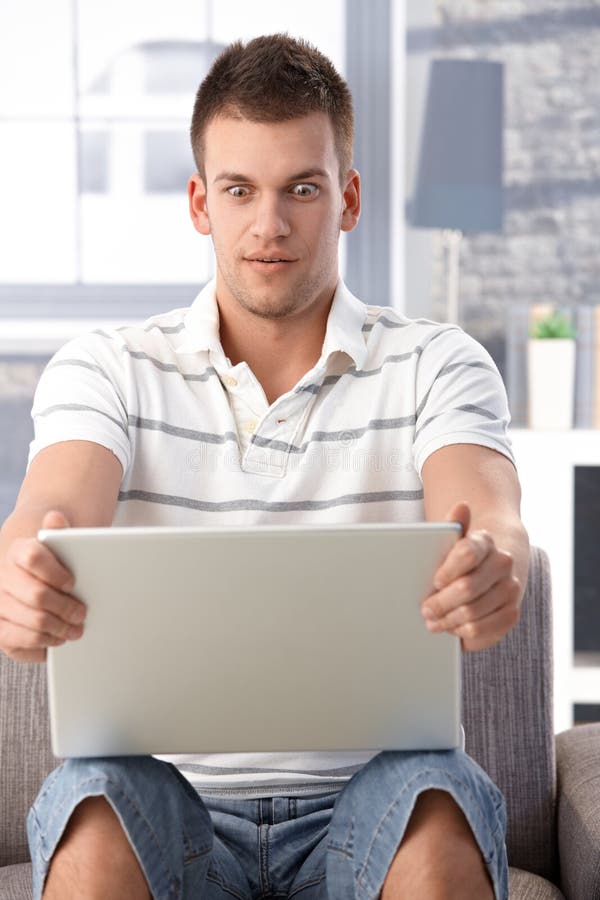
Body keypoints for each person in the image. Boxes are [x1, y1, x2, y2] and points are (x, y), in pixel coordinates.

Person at [0, 33, 528, 900]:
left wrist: (493, 565)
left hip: (380, 800)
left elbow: (488, 515)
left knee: (436, 809)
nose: (270, 225)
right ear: (201, 203)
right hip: (165, 806)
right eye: (241, 191)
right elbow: (48, 511)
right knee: (94, 807)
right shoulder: (107, 367)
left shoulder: (441, 362)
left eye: (302, 190)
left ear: (348, 198)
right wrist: (20, 576)